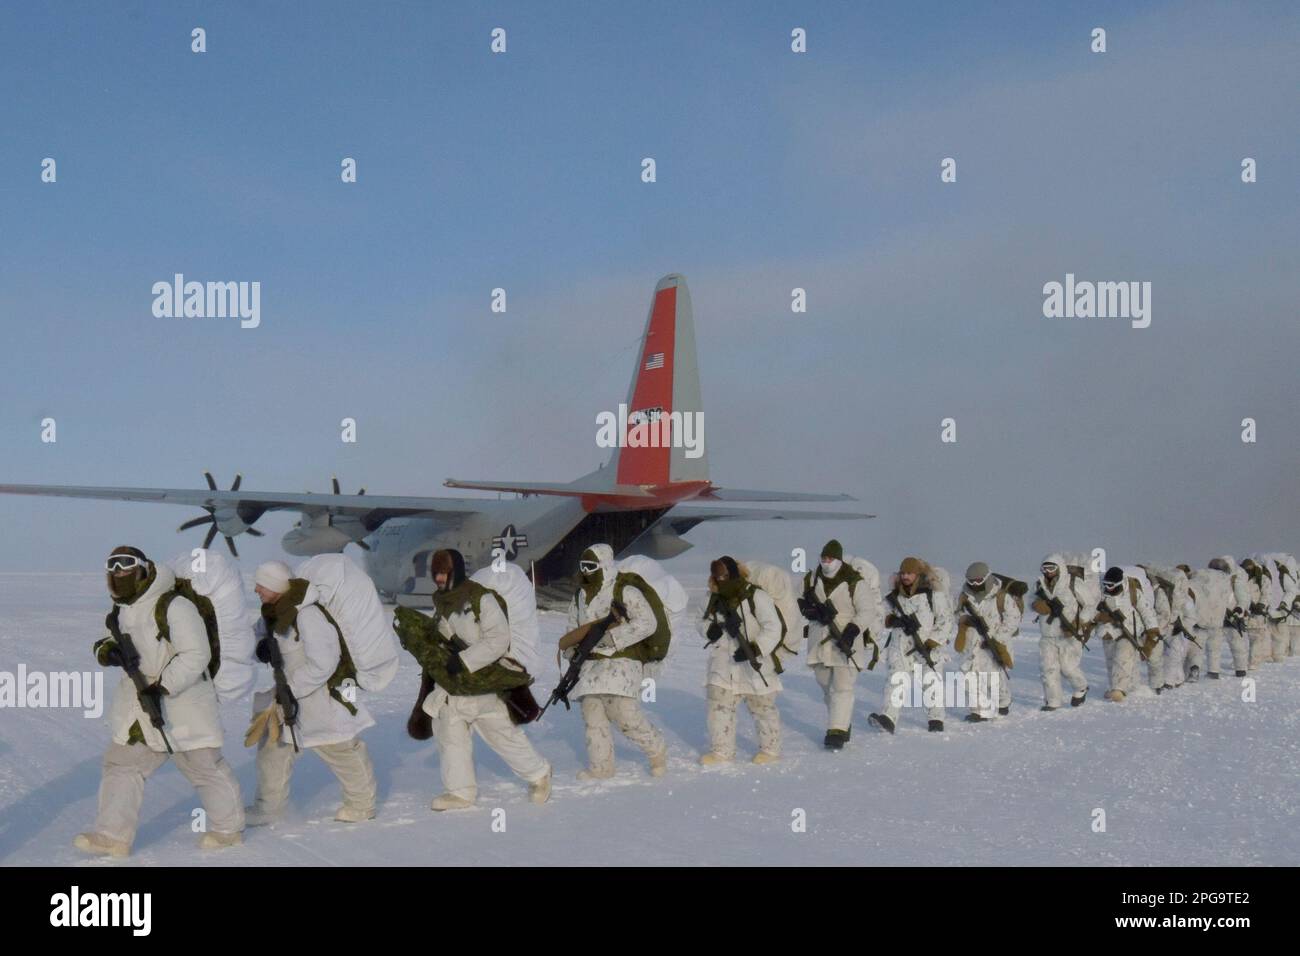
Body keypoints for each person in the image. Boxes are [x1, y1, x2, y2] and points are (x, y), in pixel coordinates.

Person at [76, 546, 244, 857]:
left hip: (184, 703)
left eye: (125, 567)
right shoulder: (121, 610)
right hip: (138, 705)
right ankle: (112, 836)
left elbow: (197, 654)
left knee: (204, 768)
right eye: (112, 568)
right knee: (121, 765)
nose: (118, 574)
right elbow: (106, 638)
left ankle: (227, 830)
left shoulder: (174, 606)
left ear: (141, 569)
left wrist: (163, 686)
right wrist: (108, 652)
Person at [243, 561, 377, 825]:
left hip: (319, 699)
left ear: (275, 586)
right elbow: (255, 638)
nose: (256, 589)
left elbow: (325, 662)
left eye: (262, 584)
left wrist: (292, 688)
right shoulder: (271, 613)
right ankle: (269, 808)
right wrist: (261, 648)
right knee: (273, 750)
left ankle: (362, 805)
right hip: (285, 697)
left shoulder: (308, 615)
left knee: (339, 749)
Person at [421, 549, 551, 809]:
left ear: (455, 571)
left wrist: (466, 660)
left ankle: (539, 774)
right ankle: (460, 791)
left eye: (443, 573)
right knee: (449, 731)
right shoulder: (442, 601)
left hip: (483, 680)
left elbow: (498, 639)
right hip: (455, 683)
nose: (438, 579)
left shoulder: (481, 598)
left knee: (500, 733)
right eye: (435, 573)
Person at [561, 544, 668, 779]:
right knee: (593, 716)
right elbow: (573, 627)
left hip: (622, 659)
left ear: (604, 565)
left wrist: (614, 638)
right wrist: (572, 652)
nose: (586, 571)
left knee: (624, 713)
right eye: (582, 566)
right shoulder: (580, 595)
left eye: (591, 566)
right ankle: (601, 768)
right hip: (590, 663)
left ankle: (656, 748)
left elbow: (647, 623)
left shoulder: (624, 590)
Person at [700, 556, 783, 764]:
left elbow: (773, 628)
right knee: (718, 707)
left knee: (762, 707)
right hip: (723, 662)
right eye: (717, 577)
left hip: (755, 663)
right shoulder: (711, 597)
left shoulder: (756, 596)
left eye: (725, 576)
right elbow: (700, 621)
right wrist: (709, 630)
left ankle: (770, 750)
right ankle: (721, 752)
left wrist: (755, 649)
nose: (721, 581)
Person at [799, 540, 880, 749]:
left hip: (846, 639)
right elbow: (799, 600)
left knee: (842, 687)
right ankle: (843, 721)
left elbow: (867, 610)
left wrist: (853, 630)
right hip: (819, 640)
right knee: (825, 685)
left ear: (838, 559)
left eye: (830, 559)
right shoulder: (811, 578)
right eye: (823, 558)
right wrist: (810, 611)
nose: (826, 563)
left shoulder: (854, 581)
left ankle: (836, 730)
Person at [870, 556, 953, 734]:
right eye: (903, 573)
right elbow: (879, 614)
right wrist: (892, 620)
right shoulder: (894, 597)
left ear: (918, 575)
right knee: (896, 680)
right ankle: (888, 718)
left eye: (909, 573)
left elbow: (946, 621)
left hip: (928, 647)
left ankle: (936, 718)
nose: (905, 576)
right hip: (900, 645)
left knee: (931, 682)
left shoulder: (933, 595)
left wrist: (933, 641)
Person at [955, 562, 1017, 722]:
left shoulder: (1000, 596)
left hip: (993, 644)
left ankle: (1003, 701)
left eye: (978, 580)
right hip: (971, 645)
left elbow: (1013, 620)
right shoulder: (963, 597)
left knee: (993, 678)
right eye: (971, 581)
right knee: (969, 677)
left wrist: (997, 639)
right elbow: (954, 615)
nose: (975, 584)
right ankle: (977, 711)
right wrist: (964, 620)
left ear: (987, 578)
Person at [1030, 554, 1090, 710]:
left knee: (1068, 668)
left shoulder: (1072, 583)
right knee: (1048, 669)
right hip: (1047, 635)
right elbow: (1031, 601)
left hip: (1068, 634)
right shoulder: (1039, 584)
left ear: (1059, 568)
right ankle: (1053, 702)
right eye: (1045, 568)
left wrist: (1079, 623)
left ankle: (1081, 687)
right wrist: (1037, 605)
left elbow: (1090, 605)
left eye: (1052, 568)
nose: (1048, 571)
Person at [1094, 567, 1160, 702]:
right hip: (1109, 634)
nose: (1107, 587)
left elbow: (1147, 613)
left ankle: (1119, 690)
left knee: (1123, 659)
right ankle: (1130, 688)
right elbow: (1091, 611)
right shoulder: (1100, 593)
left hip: (1128, 633)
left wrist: (1152, 632)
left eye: (1110, 585)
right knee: (1112, 662)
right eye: (1105, 584)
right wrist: (1101, 617)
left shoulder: (1132, 592)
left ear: (1119, 583)